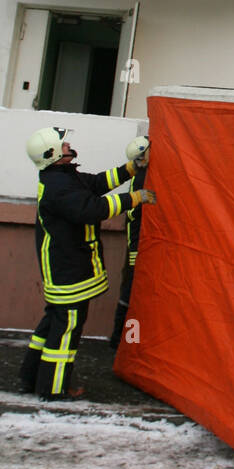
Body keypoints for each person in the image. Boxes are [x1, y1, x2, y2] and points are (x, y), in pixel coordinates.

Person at [21, 127, 156, 401]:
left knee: (51, 325)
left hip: (64, 269)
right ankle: (54, 388)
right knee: (65, 333)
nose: (69, 144)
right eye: (64, 143)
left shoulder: (61, 177)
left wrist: (131, 168)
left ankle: (30, 375)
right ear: (53, 154)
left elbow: (96, 183)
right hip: (68, 271)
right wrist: (135, 198)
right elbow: (92, 208)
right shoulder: (59, 188)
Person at [108, 136, 151, 352]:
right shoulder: (143, 178)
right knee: (131, 292)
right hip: (137, 248)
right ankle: (119, 339)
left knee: (131, 291)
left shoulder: (143, 176)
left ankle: (121, 339)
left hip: (138, 245)